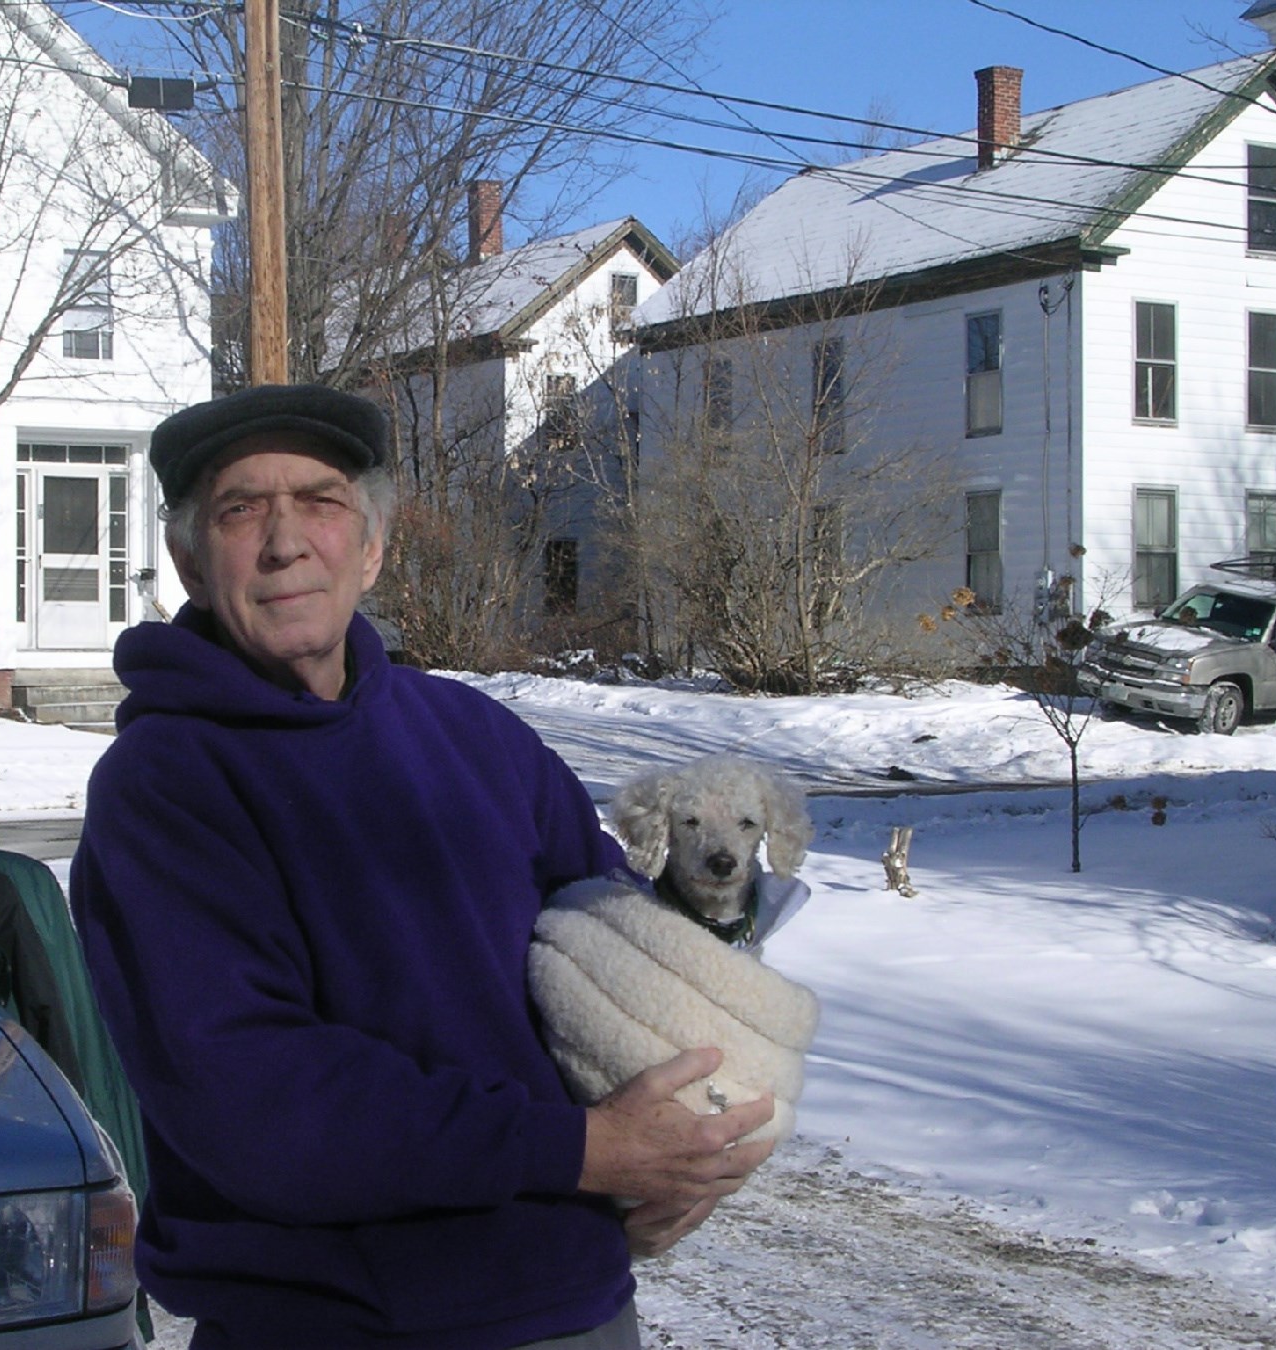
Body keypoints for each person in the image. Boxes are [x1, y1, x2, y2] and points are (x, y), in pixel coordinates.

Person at [70, 383, 774, 1350]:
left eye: (320, 502)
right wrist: (582, 1150)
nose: (285, 543)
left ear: (371, 546)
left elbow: (631, 962)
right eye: (241, 510)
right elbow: (258, 1101)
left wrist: (691, 1150)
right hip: (333, 1327)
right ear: (190, 561)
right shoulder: (165, 788)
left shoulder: (475, 737)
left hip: (579, 1307)